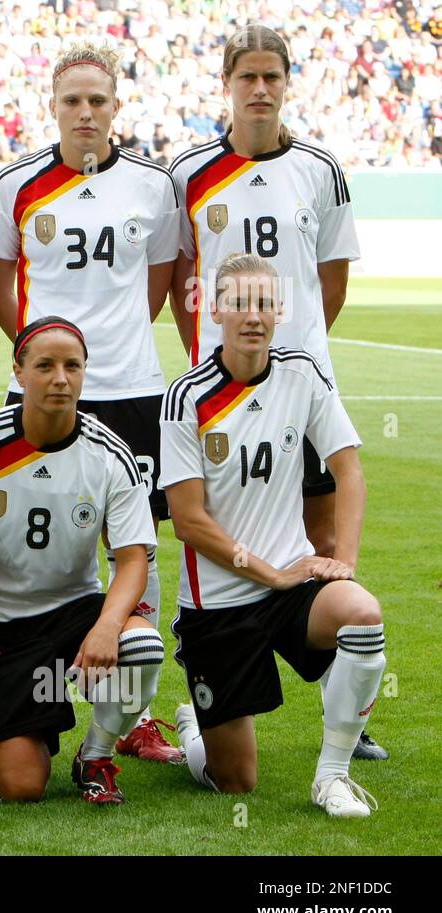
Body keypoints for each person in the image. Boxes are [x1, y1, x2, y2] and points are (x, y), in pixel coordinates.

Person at [168, 24, 384, 760]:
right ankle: (210, 674)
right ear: (227, 83)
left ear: (288, 82)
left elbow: (333, 280)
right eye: (247, 76)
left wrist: (299, 354)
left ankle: (346, 712)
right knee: (222, 539)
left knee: (323, 548)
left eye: (273, 76)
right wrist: (213, 348)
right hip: (222, 392)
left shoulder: (321, 168)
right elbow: (179, 276)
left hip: (299, 386)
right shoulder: (191, 171)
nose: (260, 88)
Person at [0, 43, 184, 764]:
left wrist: (109, 348)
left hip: (130, 387)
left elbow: (160, 278)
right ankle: (13, 677)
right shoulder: (15, 185)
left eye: (98, 99)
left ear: (115, 107)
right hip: (40, 393)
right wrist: (42, 355)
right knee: (31, 531)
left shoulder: (154, 186)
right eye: (73, 100)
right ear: (54, 105)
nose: (86, 112)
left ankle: (134, 712)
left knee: (139, 542)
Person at [161, 254, 385, 817]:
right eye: (239, 303)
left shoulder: (302, 372)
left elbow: (348, 469)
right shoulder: (186, 397)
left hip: (290, 588)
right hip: (220, 604)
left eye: (264, 303)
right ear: (215, 310)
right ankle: (196, 730)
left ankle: (332, 777)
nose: (253, 316)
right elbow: (188, 521)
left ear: (280, 310)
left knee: (361, 612)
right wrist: (270, 571)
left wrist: (344, 561)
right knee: (235, 780)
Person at [0, 317, 164, 804]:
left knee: (141, 645)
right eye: (45, 366)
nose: (60, 378)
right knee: (21, 787)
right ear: (19, 373)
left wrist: (108, 624)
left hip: (74, 616)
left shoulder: (110, 454)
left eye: (72, 366)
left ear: (86, 372)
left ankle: (96, 755)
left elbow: (131, 560)